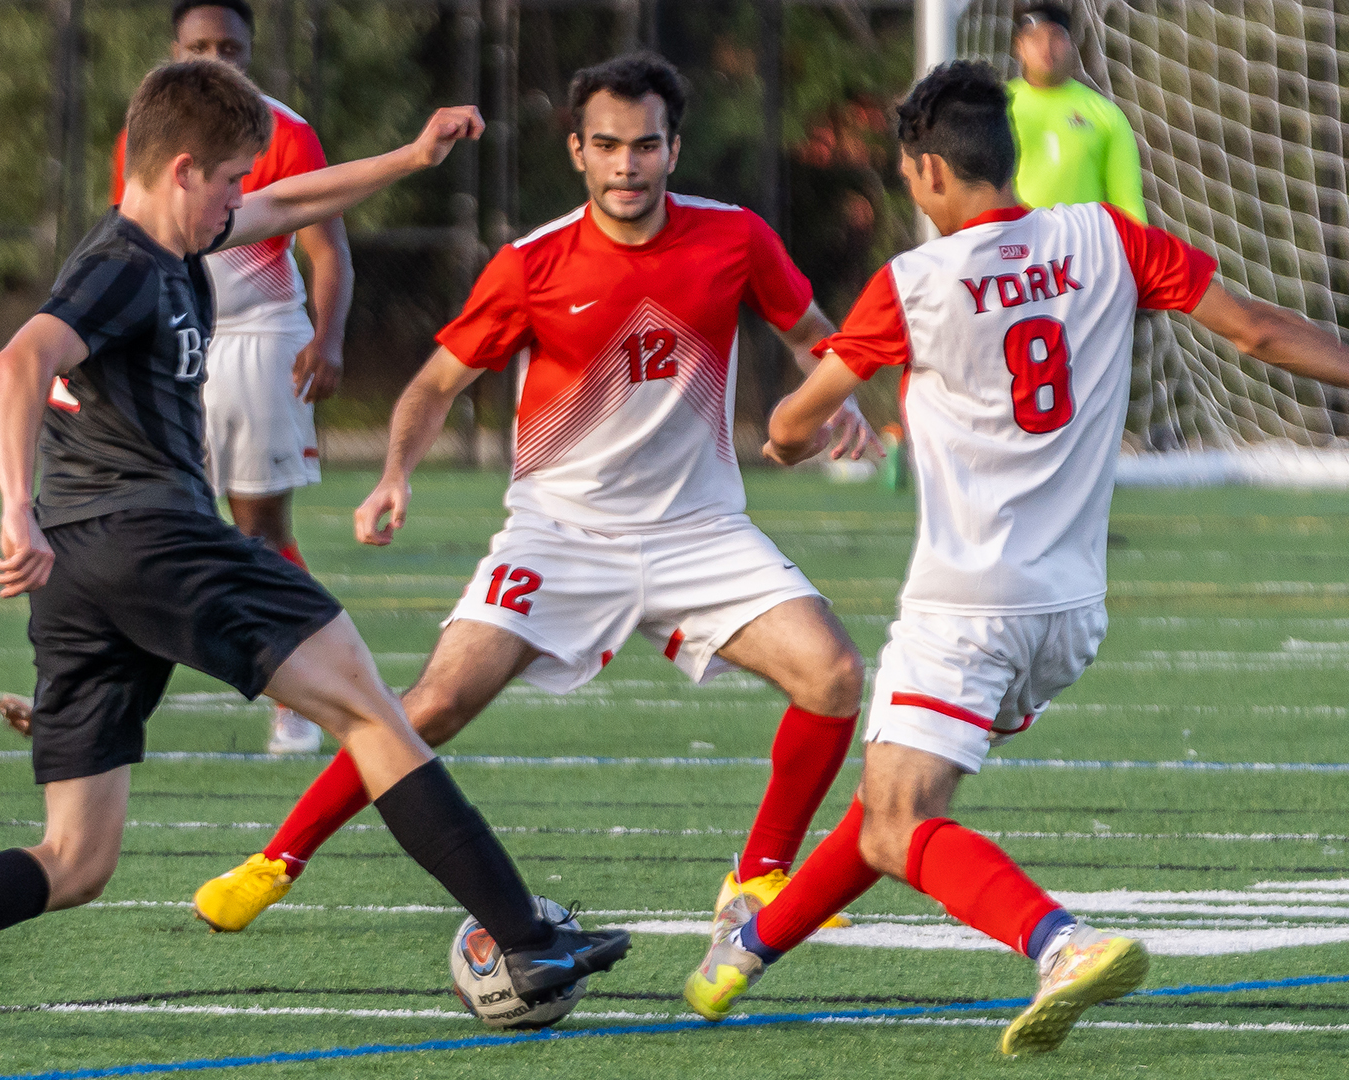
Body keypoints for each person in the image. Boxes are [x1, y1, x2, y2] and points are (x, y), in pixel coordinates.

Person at [683, 60, 1349, 1055]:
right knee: (894, 811)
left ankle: (1058, 943)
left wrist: (797, 435)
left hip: (966, 605)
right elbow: (1257, 331)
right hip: (1069, 613)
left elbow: (790, 422)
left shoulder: (914, 285)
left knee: (902, 822)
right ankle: (744, 953)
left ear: (930, 175)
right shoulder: (1105, 240)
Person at [0, 60, 628, 1041]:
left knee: (75, 859)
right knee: (371, 708)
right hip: (152, 537)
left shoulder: (177, 239)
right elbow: (19, 360)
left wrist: (408, 156)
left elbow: (286, 204)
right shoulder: (124, 264)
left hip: (81, 579)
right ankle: (525, 933)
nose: (240, 197)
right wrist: (11, 508)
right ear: (183, 169)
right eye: (228, 177)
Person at [187, 52, 883, 936]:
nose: (627, 165)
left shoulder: (735, 238)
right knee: (434, 702)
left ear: (674, 148)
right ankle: (274, 860)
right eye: (607, 146)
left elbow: (813, 335)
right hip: (559, 535)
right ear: (576, 152)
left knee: (832, 675)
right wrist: (396, 474)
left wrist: (840, 400)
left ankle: (759, 879)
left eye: (645, 145)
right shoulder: (532, 264)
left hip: (696, 529)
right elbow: (434, 385)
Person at [0, 0, 350, 754]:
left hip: (258, 337)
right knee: (160, 523)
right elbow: (119, 253)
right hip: (171, 341)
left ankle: (300, 690)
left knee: (249, 526)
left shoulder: (282, 129)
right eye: (203, 45)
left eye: (233, 46)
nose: (219, 58)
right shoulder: (148, 145)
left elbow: (308, 224)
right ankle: (77, 692)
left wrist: (329, 334)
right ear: (176, 49)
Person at [1008, 2, 1146, 222]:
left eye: (1056, 37)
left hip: (1084, 252)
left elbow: (1128, 204)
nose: (1046, 47)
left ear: (1072, 44)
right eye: (1035, 38)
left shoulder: (1105, 115)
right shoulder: (996, 108)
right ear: (1019, 46)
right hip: (1014, 251)